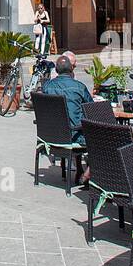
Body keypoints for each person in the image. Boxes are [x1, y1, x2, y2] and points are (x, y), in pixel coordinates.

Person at [40, 51, 93, 182]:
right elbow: (91, 108)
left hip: (51, 136)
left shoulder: (46, 87)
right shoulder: (79, 87)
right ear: (71, 69)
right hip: (73, 136)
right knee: (100, 137)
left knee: (74, 122)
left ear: (56, 70)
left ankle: (80, 167)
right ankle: (89, 172)